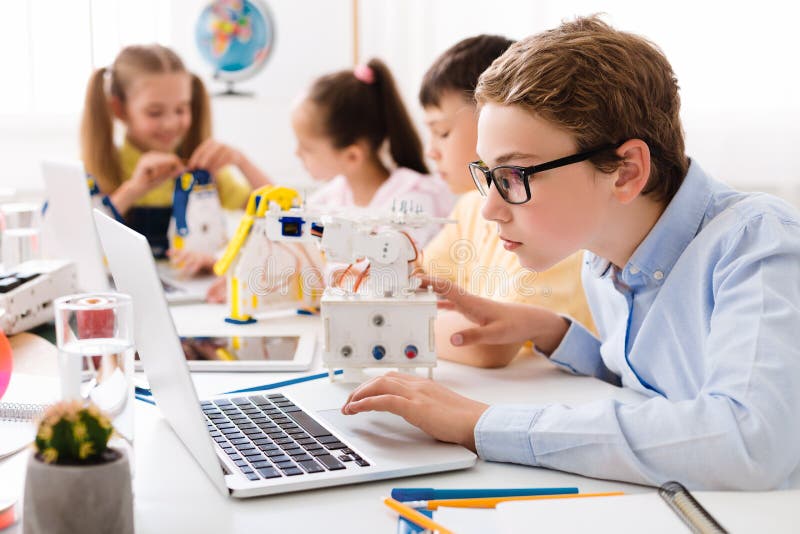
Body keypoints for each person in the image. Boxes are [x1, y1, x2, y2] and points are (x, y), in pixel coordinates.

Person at [341, 16, 800, 490]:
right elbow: (663, 387)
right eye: (487, 174)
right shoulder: (604, 255)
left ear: (625, 172)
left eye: (515, 175)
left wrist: (481, 424)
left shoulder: (758, 243)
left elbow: (750, 439)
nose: (492, 208)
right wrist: (554, 333)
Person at [419, 35, 595, 368]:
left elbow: (491, 343)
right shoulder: (473, 205)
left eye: (441, 132)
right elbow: (417, 279)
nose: (430, 150)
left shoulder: (543, 217)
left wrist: (383, 322)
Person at [80, 44, 271, 272]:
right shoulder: (101, 170)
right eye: (155, 113)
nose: (170, 123)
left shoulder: (202, 170)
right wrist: (133, 190)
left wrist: (242, 161)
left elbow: (278, 210)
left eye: (181, 110)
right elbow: (80, 246)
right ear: (120, 109)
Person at [292, 58, 455, 248]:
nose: (297, 153)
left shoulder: (413, 202)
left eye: (307, 148)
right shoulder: (334, 195)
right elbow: (296, 222)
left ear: (352, 156)